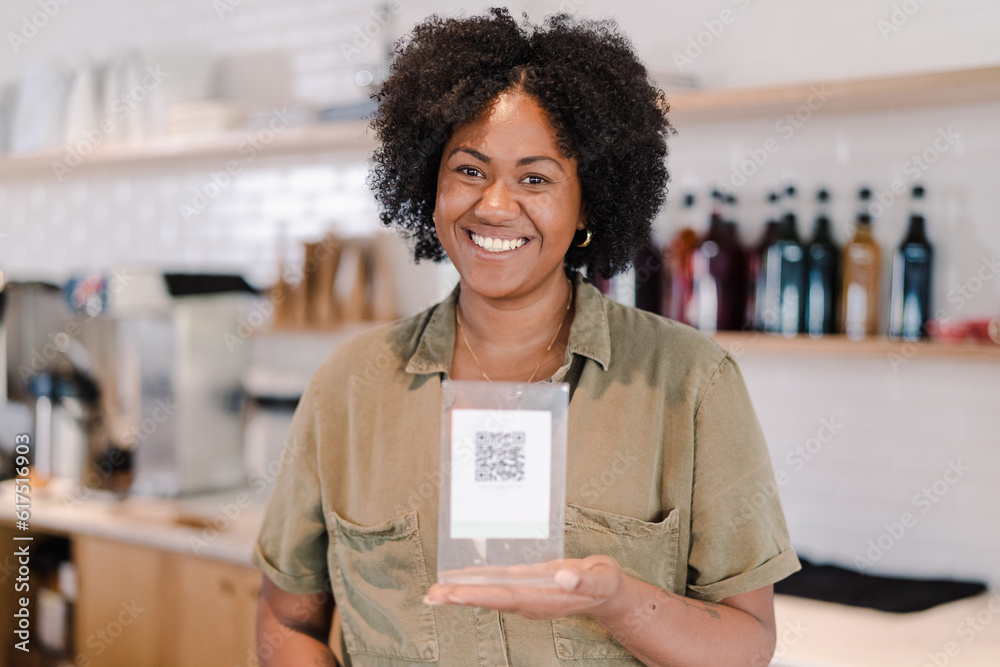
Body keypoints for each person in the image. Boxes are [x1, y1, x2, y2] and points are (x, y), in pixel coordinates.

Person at [253, 8, 799, 666]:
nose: (494, 206)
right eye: (469, 170)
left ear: (589, 202)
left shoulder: (689, 383)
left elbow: (745, 644)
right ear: (430, 183)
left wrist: (615, 599)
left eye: (535, 178)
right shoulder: (349, 385)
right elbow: (288, 619)